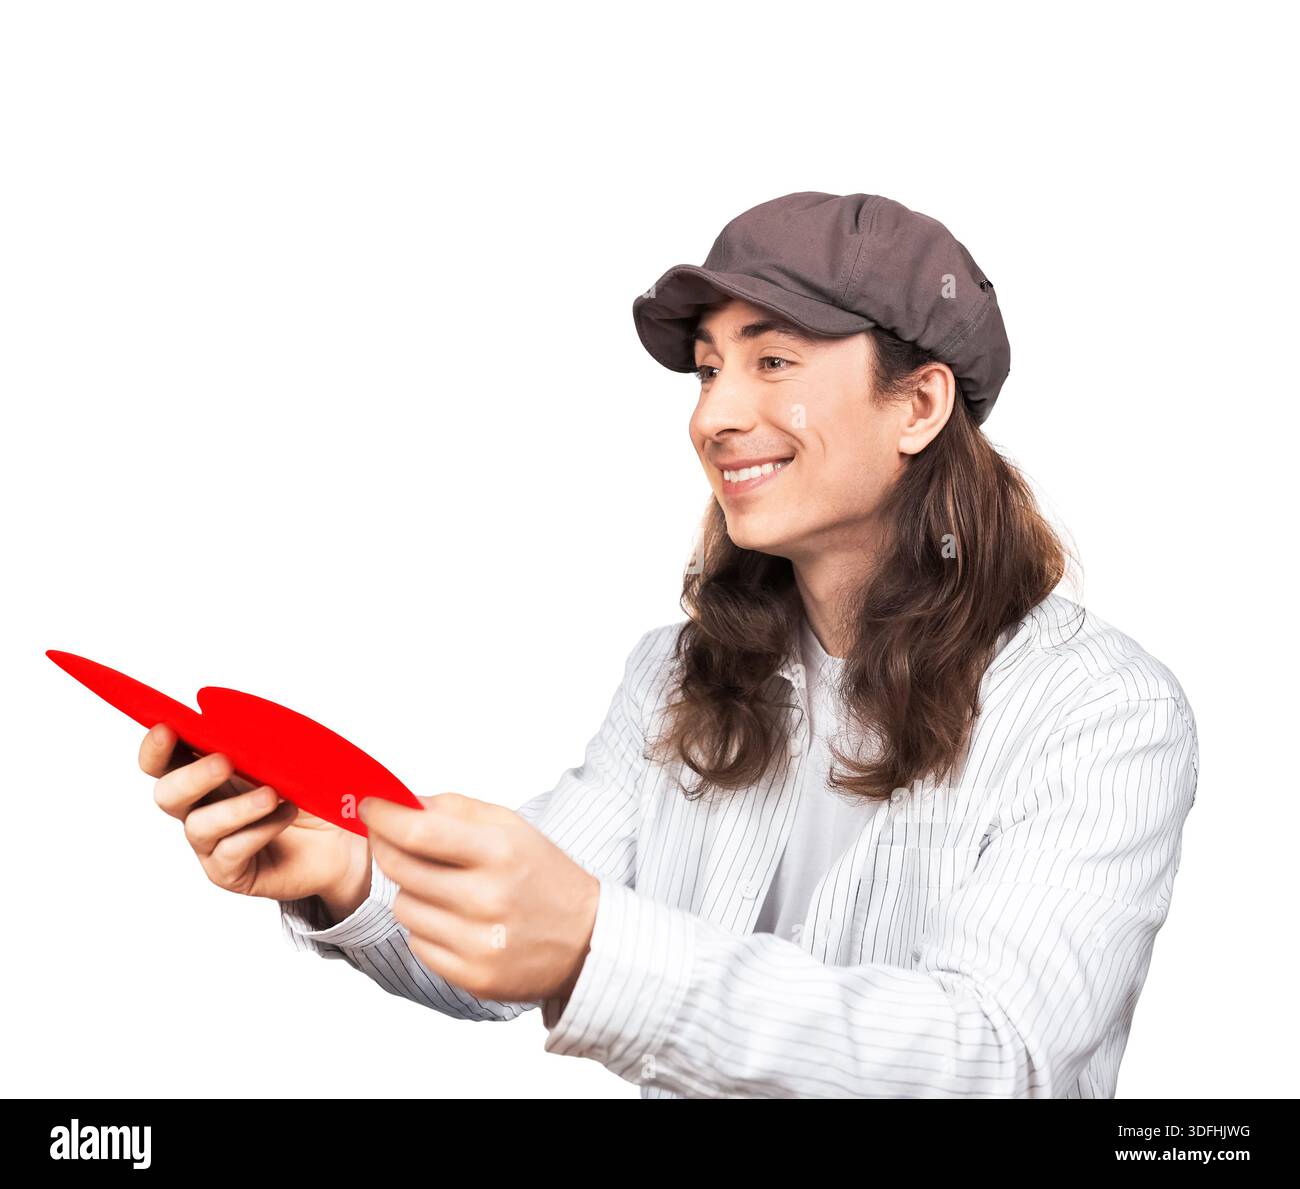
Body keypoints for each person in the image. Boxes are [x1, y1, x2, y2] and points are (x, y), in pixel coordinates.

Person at [138, 192, 1199, 1098]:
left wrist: (603, 945)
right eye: (704, 370)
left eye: (772, 358)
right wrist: (340, 872)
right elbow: (513, 936)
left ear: (917, 403)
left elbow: (995, 1059)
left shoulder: (1101, 711)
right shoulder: (674, 675)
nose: (716, 414)